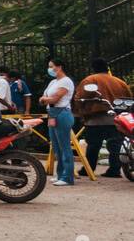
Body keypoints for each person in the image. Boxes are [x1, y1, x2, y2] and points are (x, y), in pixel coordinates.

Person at [75, 58, 131, 178]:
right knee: (115, 144)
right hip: (117, 118)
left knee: (93, 145)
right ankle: (114, 170)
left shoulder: (90, 80)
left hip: (96, 118)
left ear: (93, 68)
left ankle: (88, 169)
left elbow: (80, 98)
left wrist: (81, 113)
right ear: (107, 68)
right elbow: (129, 99)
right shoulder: (120, 82)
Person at [39, 57, 76, 186]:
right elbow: (46, 98)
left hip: (62, 113)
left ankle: (68, 177)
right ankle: (60, 174)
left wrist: (45, 99)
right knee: (56, 146)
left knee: (64, 146)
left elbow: (54, 99)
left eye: (51, 66)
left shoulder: (66, 81)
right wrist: (46, 99)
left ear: (59, 67)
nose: (50, 69)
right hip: (52, 114)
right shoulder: (53, 82)